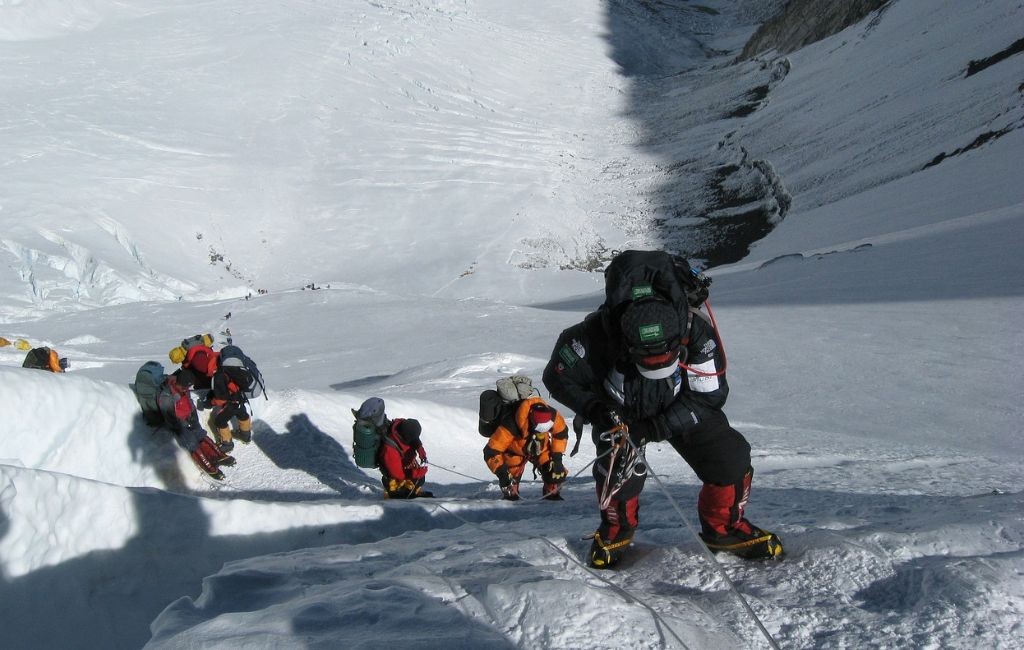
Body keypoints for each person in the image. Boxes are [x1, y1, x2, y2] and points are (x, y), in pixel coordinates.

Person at [543, 251, 782, 568]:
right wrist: (597, 409)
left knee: (730, 456)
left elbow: (709, 395)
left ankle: (724, 530)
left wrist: (656, 427)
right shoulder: (592, 337)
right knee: (617, 473)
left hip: (679, 403)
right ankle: (616, 530)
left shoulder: (695, 331)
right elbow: (557, 376)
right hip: (619, 412)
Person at [483, 398, 569, 501]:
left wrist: (557, 459)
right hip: (514, 453)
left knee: (555, 475)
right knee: (511, 491)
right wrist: (502, 474)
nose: (541, 433)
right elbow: (491, 451)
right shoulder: (510, 424)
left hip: (541, 449)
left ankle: (551, 493)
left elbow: (561, 433)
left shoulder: (552, 415)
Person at [157, 369, 234, 480]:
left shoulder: (183, 389)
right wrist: (182, 424)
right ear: (178, 383)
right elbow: (170, 418)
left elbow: (189, 403)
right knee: (191, 441)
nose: (186, 389)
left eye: (187, 387)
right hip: (178, 424)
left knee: (200, 433)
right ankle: (208, 466)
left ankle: (218, 455)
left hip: (188, 419)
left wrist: (193, 416)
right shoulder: (166, 396)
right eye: (184, 387)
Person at [205, 353, 254, 453]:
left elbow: (221, 399)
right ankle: (245, 436)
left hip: (231, 403)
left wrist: (210, 402)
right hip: (240, 398)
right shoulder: (234, 369)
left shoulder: (220, 375)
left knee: (220, 421)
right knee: (242, 414)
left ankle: (227, 444)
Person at [377, 418, 433, 499]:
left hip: (404, 465)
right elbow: (398, 474)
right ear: (406, 438)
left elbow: (415, 440)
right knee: (403, 493)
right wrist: (419, 472)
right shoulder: (390, 449)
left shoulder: (403, 427)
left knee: (420, 479)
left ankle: (414, 491)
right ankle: (393, 494)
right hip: (393, 475)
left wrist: (421, 452)